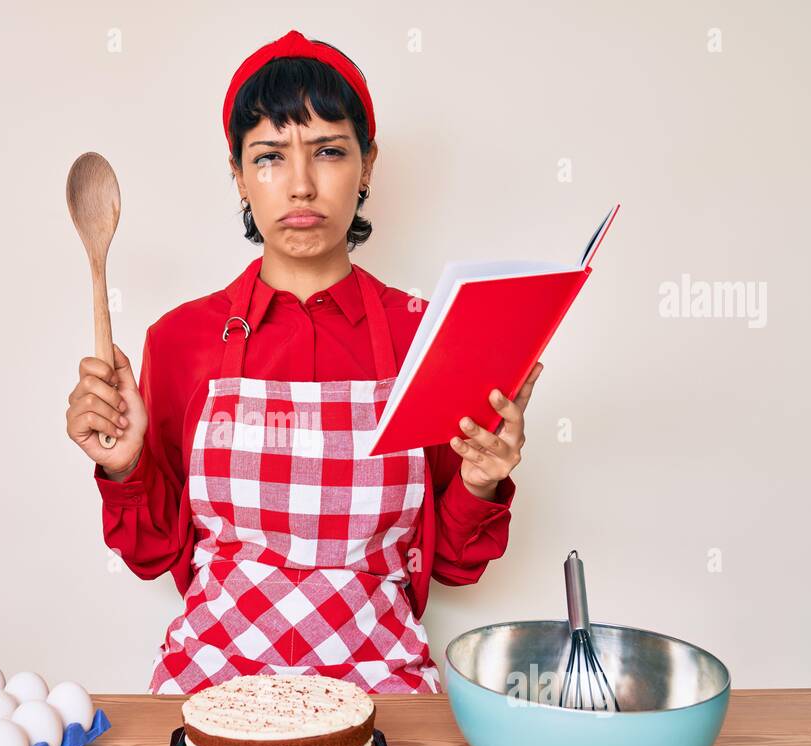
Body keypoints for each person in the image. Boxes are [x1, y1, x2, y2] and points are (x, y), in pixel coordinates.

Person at [66, 29, 542, 694]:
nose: (300, 184)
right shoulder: (181, 341)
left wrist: (482, 480)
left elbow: (457, 566)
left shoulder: (425, 338)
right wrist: (123, 467)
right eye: (268, 157)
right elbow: (155, 557)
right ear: (237, 173)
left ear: (367, 165)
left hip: (385, 691)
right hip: (212, 686)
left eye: (328, 152)